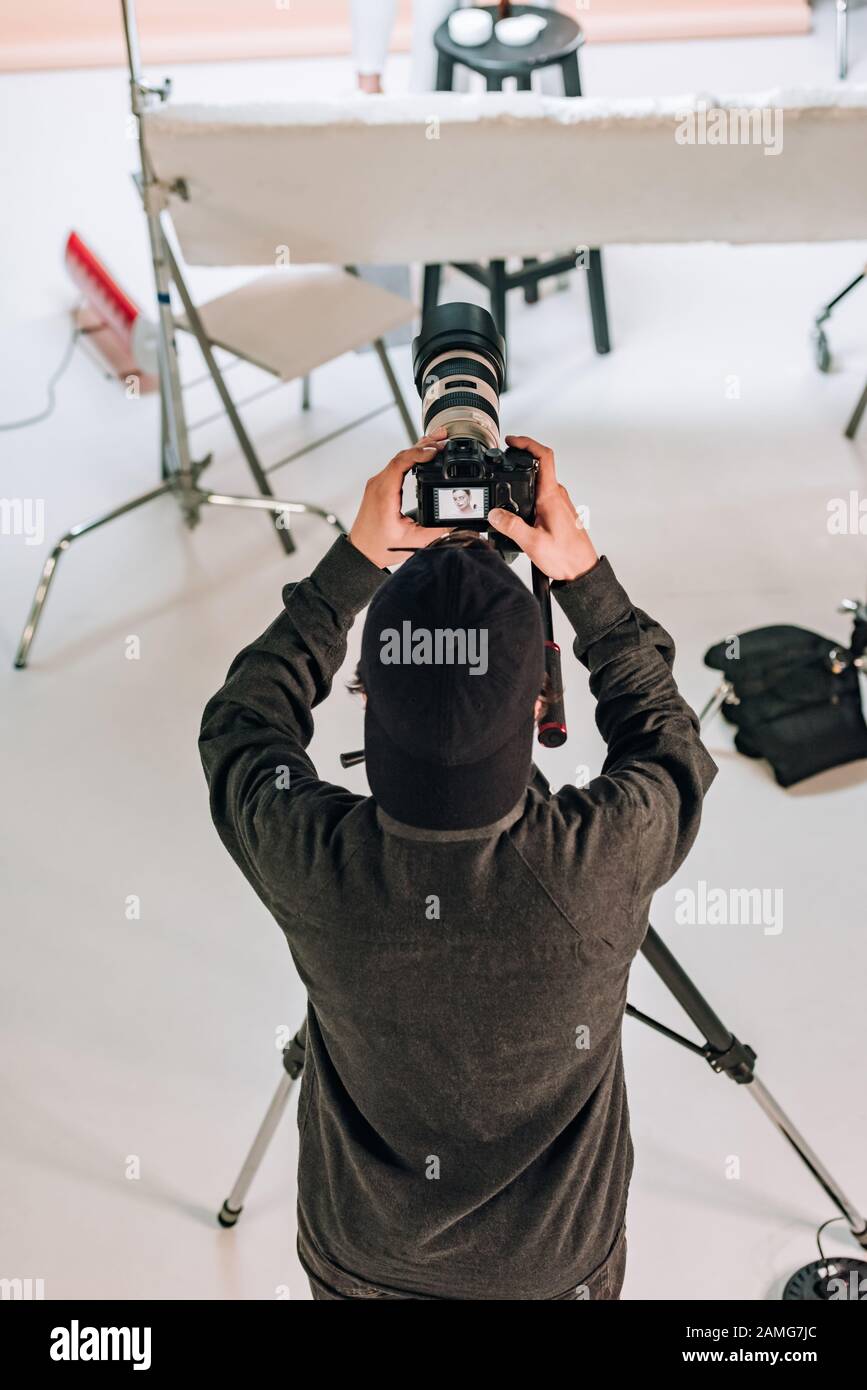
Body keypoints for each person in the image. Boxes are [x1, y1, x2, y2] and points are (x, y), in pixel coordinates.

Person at [199, 430, 717, 1300]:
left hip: (359, 1259)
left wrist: (355, 563)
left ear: (364, 696)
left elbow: (243, 723)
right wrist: (581, 573)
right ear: (541, 704)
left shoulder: (310, 857)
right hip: (554, 1273)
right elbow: (669, 744)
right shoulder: (605, 856)